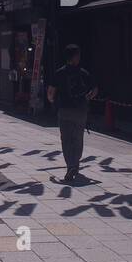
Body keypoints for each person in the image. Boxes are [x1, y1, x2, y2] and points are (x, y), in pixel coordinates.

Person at [47, 44, 97, 183]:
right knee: (77, 138)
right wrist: (88, 98)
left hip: (64, 110)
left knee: (66, 140)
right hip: (80, 110)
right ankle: (74, 164)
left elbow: (51, 92)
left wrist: (52, 101)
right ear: (77, 56)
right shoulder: (84, 73)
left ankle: (71, 165)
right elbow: (94, 89)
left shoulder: (59, 72)